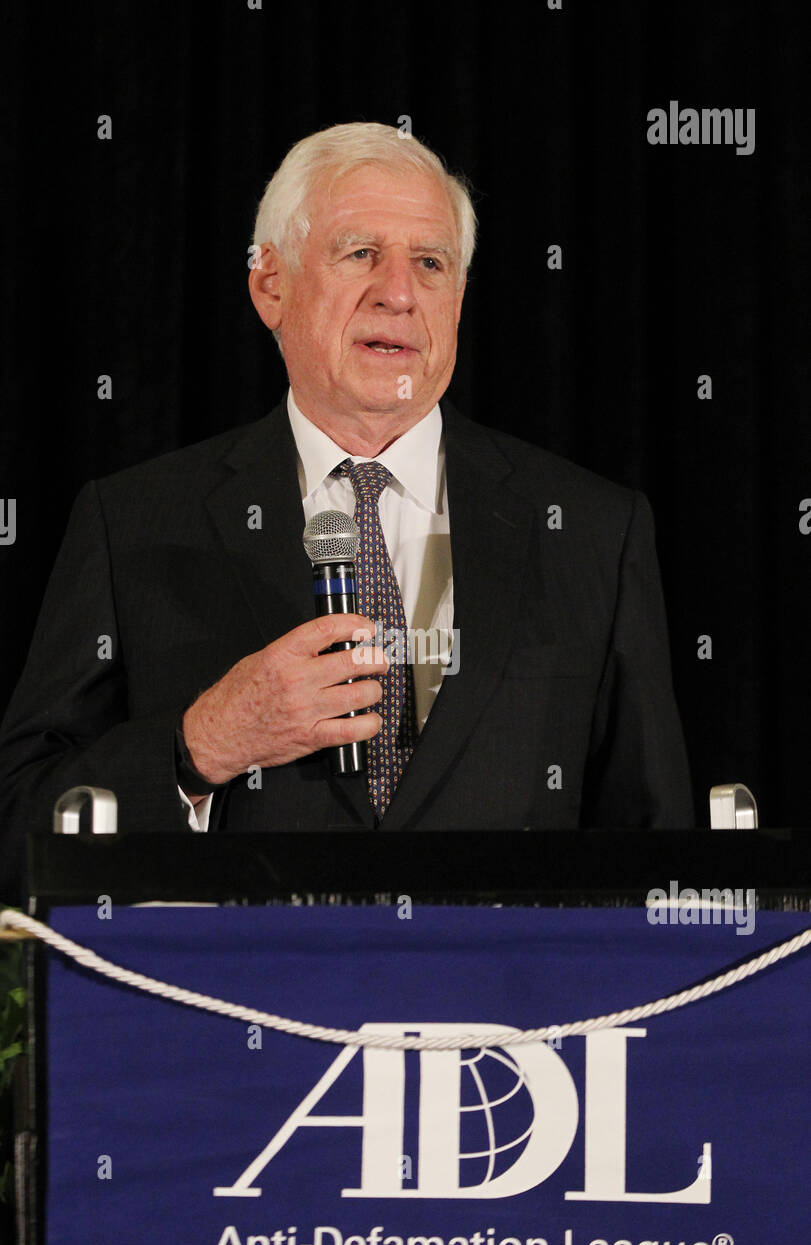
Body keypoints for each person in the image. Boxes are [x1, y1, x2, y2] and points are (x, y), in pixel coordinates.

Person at [0, 123, 693, 903]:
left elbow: (658, 855)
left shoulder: (590, 530)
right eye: (360, 253)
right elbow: (22, 823)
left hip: (503, 983)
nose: (397, 292)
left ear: (458, 298)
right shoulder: (133, 521)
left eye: (429, 263)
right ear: (271, 286)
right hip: (237, 980)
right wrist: (201, 745)